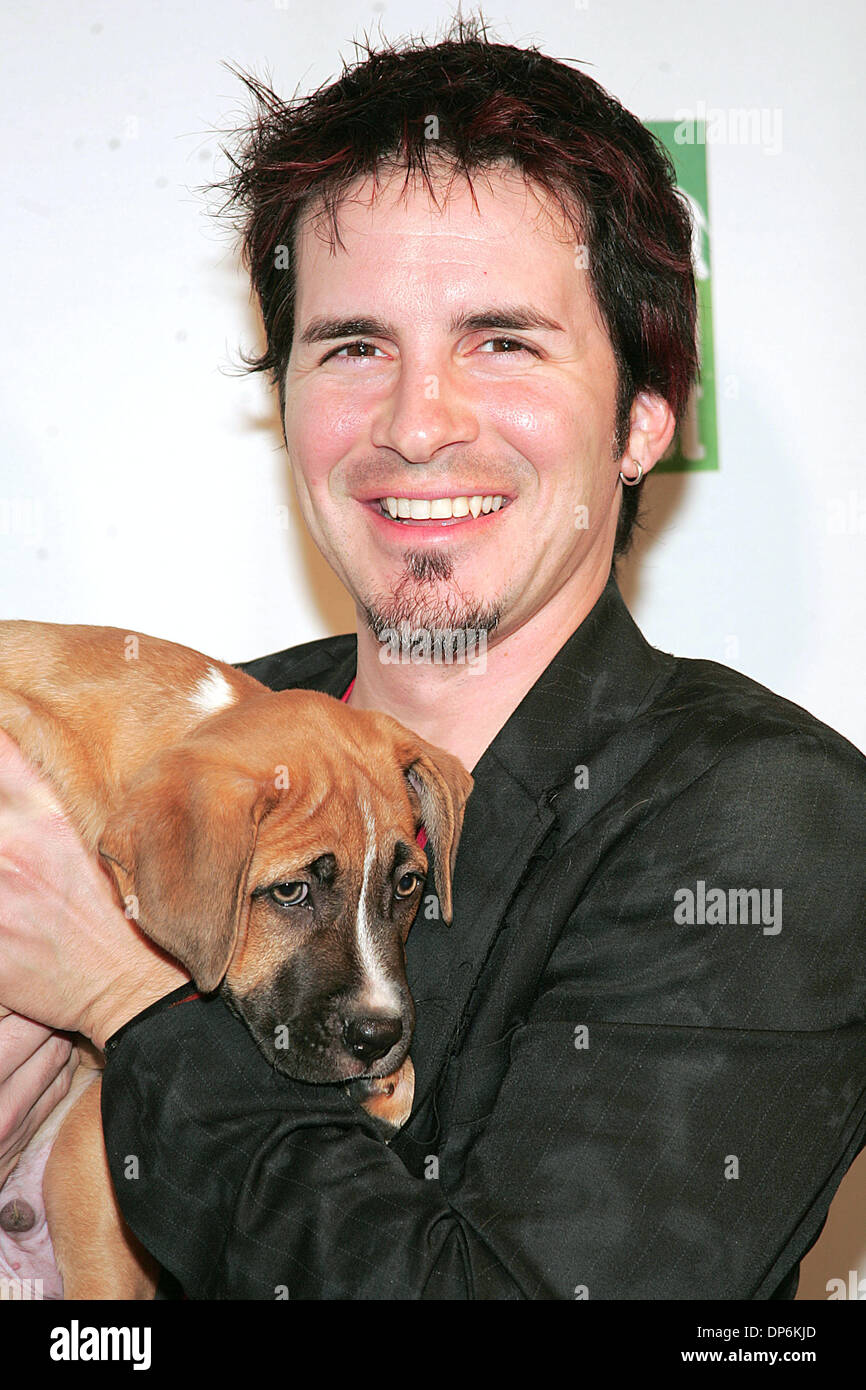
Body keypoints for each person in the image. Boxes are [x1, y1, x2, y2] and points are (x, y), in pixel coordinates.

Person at [1, 19, 864, 1300]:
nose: (416, 423)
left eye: (500, 340)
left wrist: (131, 999)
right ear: (284, 401)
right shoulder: (178, 740)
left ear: (641, 418)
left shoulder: (765, 822)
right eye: (354, 347)